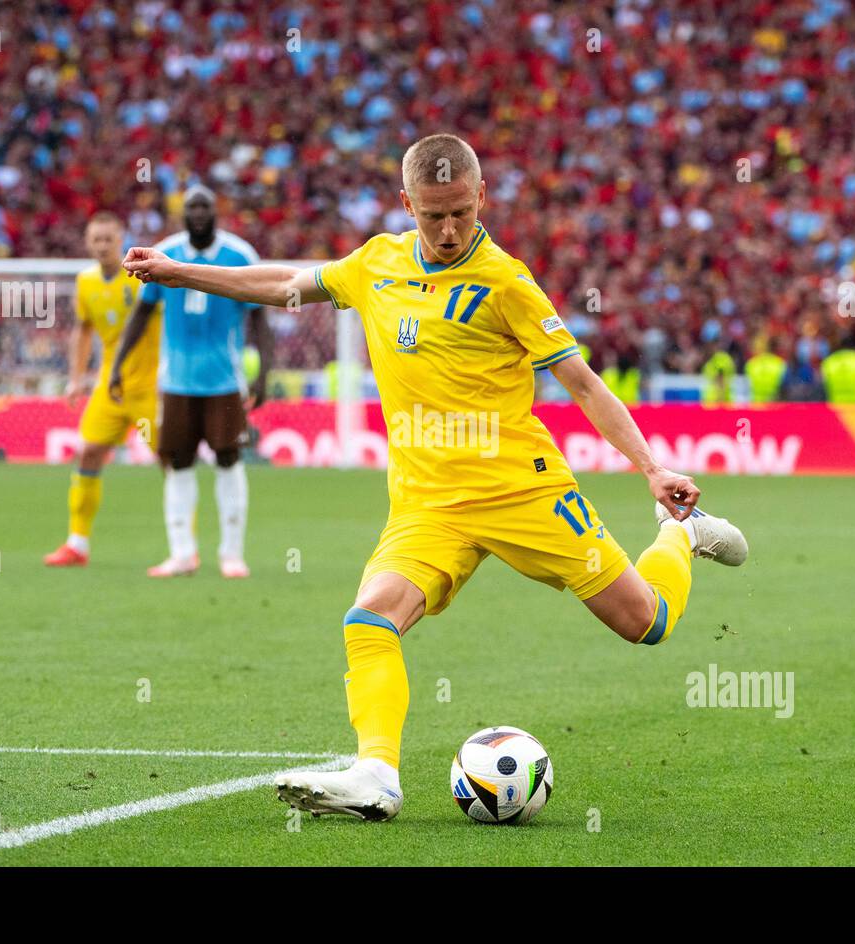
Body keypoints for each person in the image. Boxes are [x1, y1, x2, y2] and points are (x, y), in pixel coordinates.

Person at [121, 135, 747, 821]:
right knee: (368, 619)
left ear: (481, 197)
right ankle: (376, 776)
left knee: (645, 623)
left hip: (521, 488)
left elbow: (582, 382)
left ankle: (682, 537)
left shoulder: (507, 281)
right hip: (427, 504)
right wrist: (182, 274)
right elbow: (285, 285)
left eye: (460, 213)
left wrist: (653, 469)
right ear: (406, 205)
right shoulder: (377, 262)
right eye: (432, 216)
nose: (448, 231)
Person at [109, 185, 273, 579]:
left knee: (228, 459)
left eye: (205, 208)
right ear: (183, 214)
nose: (198, 214)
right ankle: (182, 553)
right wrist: (117, 364)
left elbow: (260, 319)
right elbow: (142, 313)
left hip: (225, 382)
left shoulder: (239, 255)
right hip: (177, 382)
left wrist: (264, 372)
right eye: (191, 208)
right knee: (178, 461)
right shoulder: (166, 252)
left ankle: (231, 554)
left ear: (216, 213)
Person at [44, 211, 162, 568]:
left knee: (173, 462)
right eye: (96, 239)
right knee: (89, 453)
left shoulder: (142, 277)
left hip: (151, 385)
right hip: (109, 386)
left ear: (122, 239)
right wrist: (76, 378)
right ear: (87, 242)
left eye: (109, 239)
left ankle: (183, 548)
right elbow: (82, 331)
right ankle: (77, 544)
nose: (102, 246)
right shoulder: (85, 282)